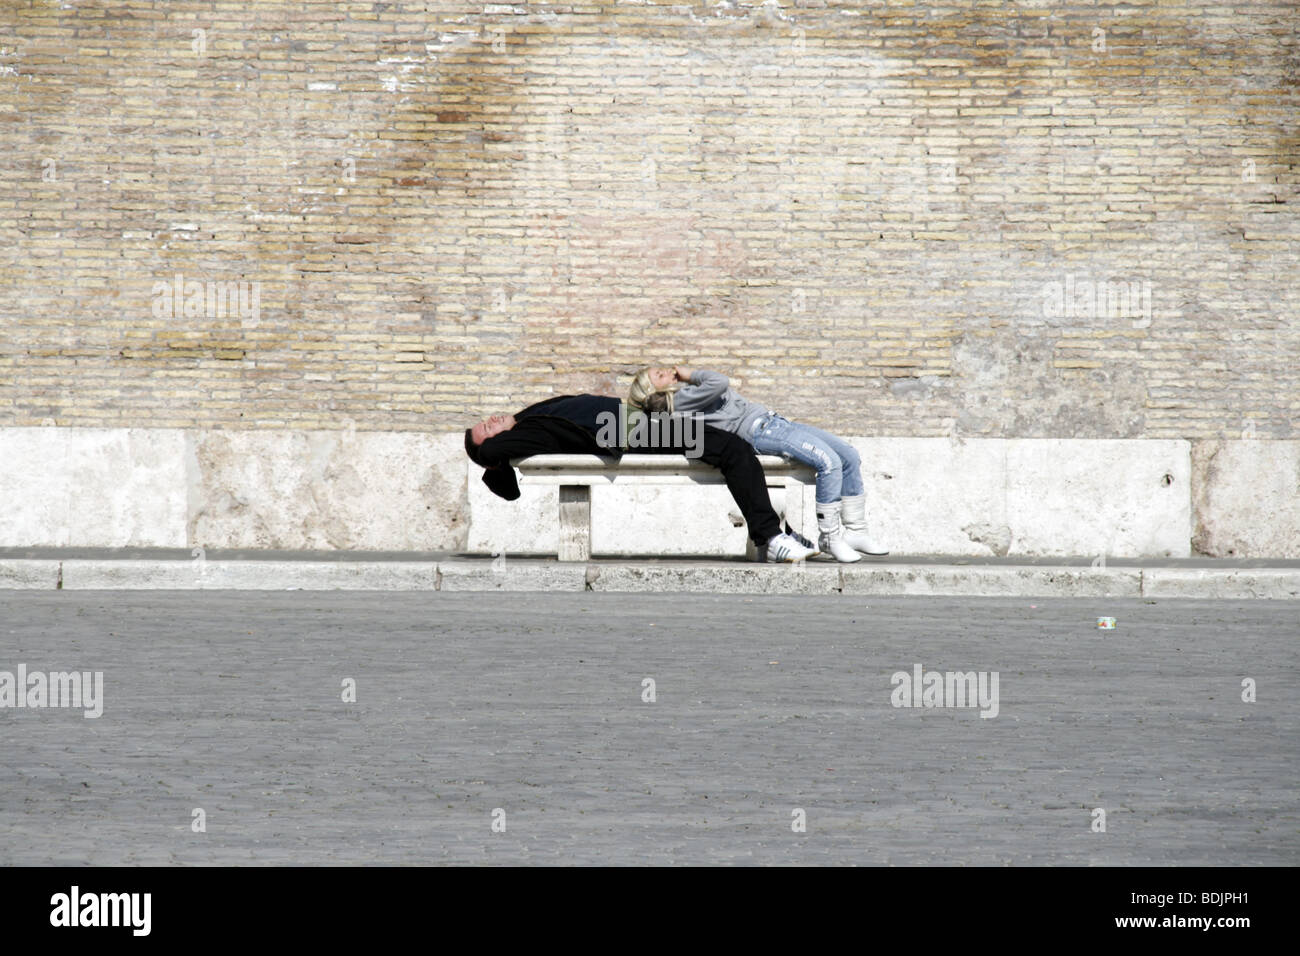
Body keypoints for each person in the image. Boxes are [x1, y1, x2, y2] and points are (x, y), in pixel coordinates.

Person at [464, 393, 818, 562]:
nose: (492, 418)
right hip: (633, 433)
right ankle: (770, 538)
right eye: (487, 428)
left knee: (733, 447)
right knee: (731, 450)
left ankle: (777, 533)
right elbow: (493, 458)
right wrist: (487, 457)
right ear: (497, 443)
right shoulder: (522, 436)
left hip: (637, 425)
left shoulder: (527, 419)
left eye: (487, 419)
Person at [627, 367, 888, 562]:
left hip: (774, 422)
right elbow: (719, 381)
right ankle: (830, 538)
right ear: (655, 392)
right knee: (828, 462)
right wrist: (688, 374)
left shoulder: (686, 397)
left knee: (848, 457)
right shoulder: (679, 401)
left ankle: (856, 529)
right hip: (760, 430)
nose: (669, 371)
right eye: (660, 375)